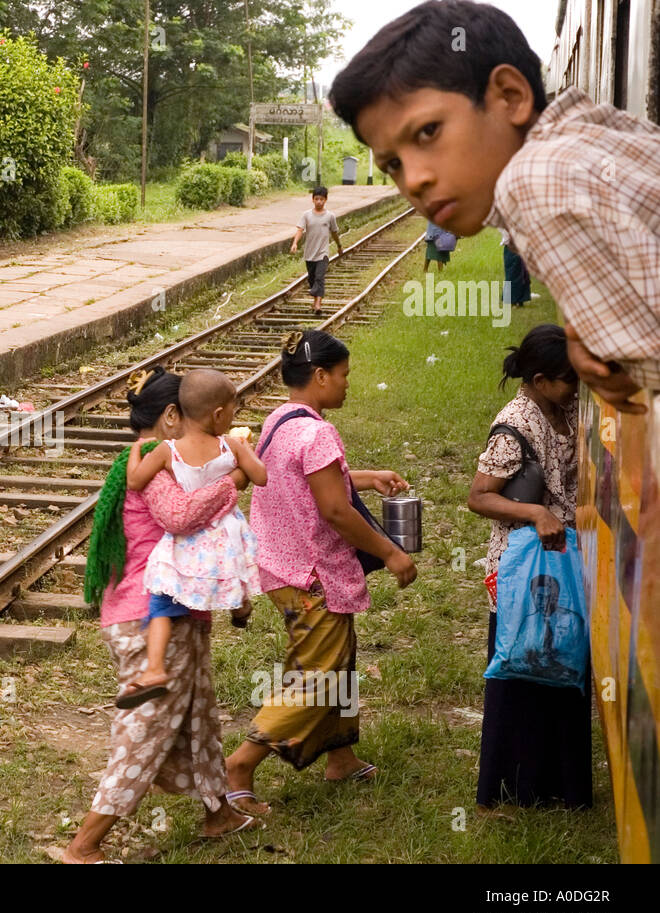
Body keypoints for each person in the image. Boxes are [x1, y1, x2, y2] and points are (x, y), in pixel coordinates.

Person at [329, 0, 660, 414]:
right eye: (393, 164)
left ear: (511, 96)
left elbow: (646, 358)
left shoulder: (531, 183)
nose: (413, 180)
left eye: (429, 131)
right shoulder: (588, 135)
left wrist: (615, 357)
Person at [68, 367, 261, 863]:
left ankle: (218, 813)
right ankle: (84, 846)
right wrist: (236, 473)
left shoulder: (163, 460)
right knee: (147, 728)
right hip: (148, 615)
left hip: (172, 611)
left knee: (198, 713)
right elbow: (182, 517)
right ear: (173, 416)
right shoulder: (159, 464)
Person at [223, 330, 416, 817]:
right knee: (318, 678)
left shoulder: (279, 420)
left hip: (280, 565)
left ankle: (341, 757)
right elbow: (334, 509)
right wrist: (391, 553)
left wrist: (364, 477)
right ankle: (240, 766)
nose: (348, 384)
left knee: (339, 663)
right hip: (311, 575)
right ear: (321, 375)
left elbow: (305, 478)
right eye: (345, 375)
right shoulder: (317, 432)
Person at [465, 323, 591, 810]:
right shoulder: (514, 423)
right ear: (540, 380)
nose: (576, 387)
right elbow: (479, 497)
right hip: (523, 570)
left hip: (562, 562)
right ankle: (514, 786)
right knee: (521, 663)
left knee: (563, 657)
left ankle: (561, 784)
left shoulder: (565, 408)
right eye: (568, 379)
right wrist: (536, 512)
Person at [118, 369, 266, 709]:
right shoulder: (231, 444)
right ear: (219, 414)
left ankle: (154, 669)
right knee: (236, 573)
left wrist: (138, 453)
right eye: (233, 410)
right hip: (226, 537)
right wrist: (242, 456)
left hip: (189, 546)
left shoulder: (167, 451)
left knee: (160, 601)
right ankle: (241, 607)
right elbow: (261, 476)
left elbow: (137, 481)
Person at [291, 185, 344, 317]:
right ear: (313, 200)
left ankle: (318, 304)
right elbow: (300, 230)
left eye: (321, 199)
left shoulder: (330, 216)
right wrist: (295, 243)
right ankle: (315, 302)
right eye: (316, 199)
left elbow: (335, 233)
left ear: (325, 200)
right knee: (312, 279)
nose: (319, 201)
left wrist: (339, 246)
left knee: (319, 278)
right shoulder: (306, 215)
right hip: (310, 253)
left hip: (323, 253)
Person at [499, 230, 533, 308]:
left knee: (517, 273)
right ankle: (513, 300)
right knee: (513, 272)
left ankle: (517, 300)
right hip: (512, 245)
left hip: (516, 244)